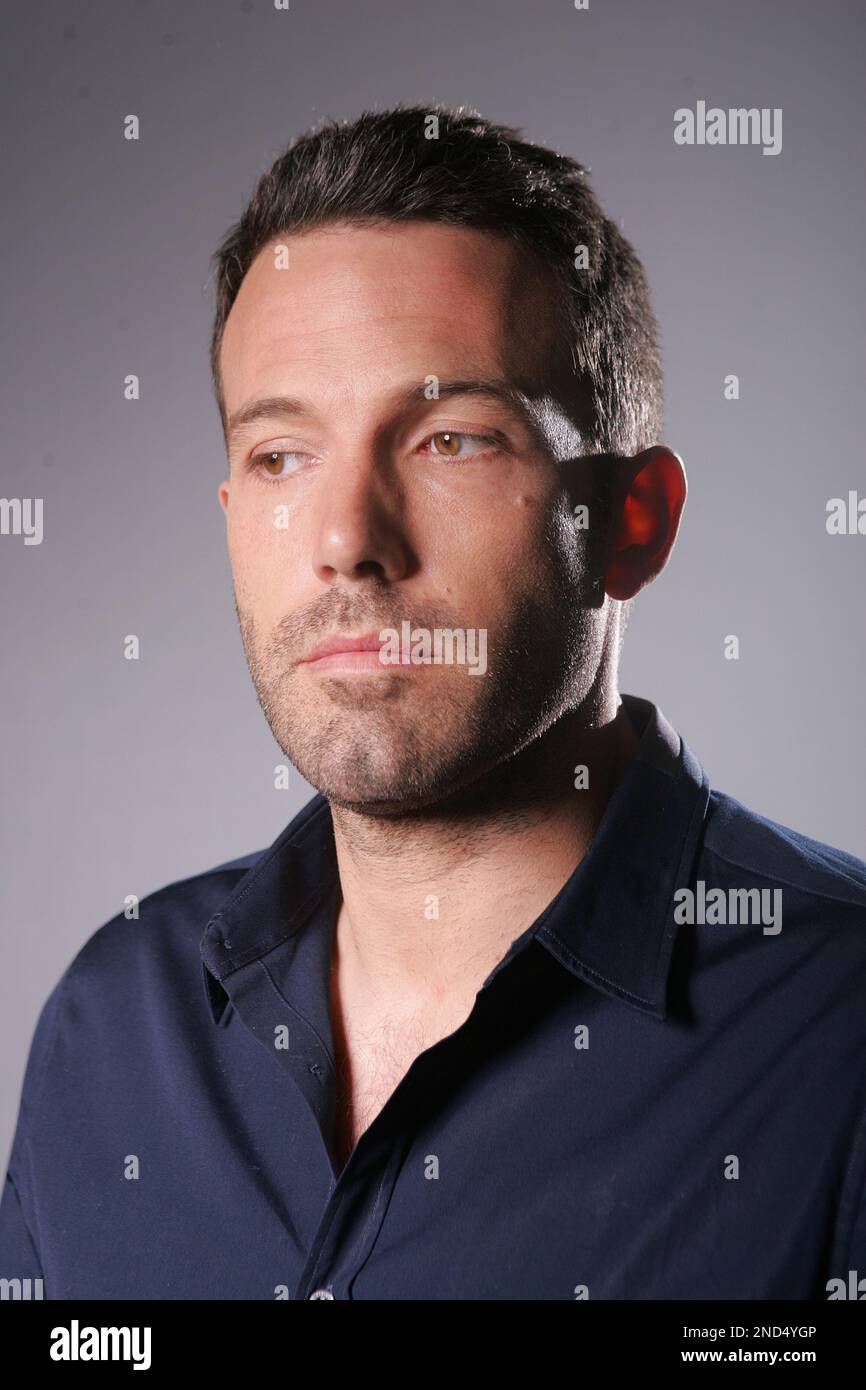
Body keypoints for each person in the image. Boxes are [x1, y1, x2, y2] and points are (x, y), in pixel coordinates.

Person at [2, 104, 865, 1301]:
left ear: (632, 522)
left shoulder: (836, 1029)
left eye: (453, 440)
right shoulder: (114, 1029)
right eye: (280, 455)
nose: (346, 541)